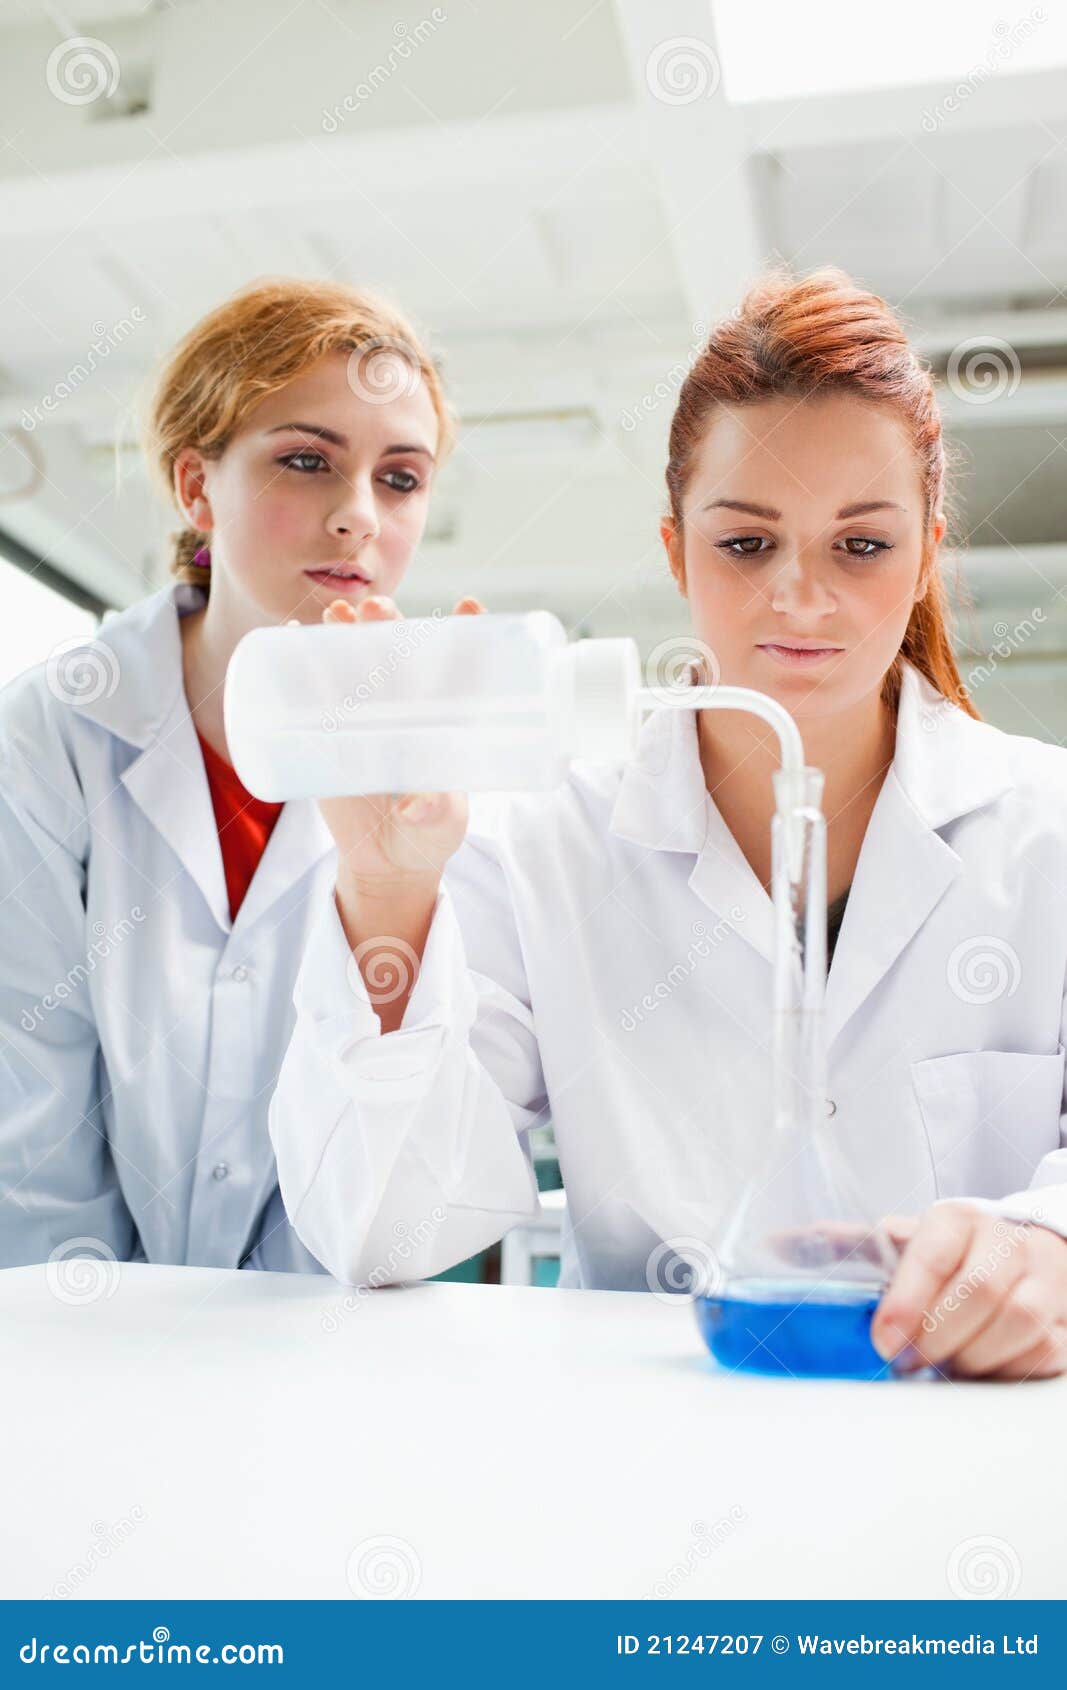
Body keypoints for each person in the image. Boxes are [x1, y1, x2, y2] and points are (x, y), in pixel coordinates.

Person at [270, 266, 1067, 1380]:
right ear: (674, 551)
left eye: (861, 544)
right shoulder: (545, 842)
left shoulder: (1045, 830)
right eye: (745, 544)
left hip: (969, 1438)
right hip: (655, 1465)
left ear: (927, 552)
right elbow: (384, 1231)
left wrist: (1045, 1243)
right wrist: (386, 887)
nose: (799, 597)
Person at [0, 274, 478, 1272]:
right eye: (306, 460)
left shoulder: (430, 773)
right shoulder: (53, 733)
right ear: (193, 485)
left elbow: (391, 1147)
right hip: (64, 1339)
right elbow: (30, 1118)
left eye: (400, 478)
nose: (357, 516)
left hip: (313, 1351)